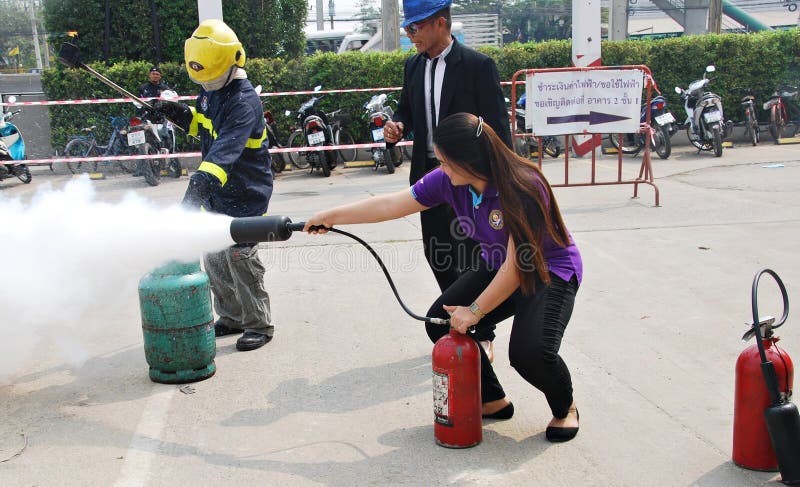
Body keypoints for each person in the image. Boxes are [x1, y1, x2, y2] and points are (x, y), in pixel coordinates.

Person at [304, 112, 583, 442]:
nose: (442, 169)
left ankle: (565, 408)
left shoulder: (523, 185)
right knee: (440, 321)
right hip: (499, 265)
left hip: (547, 270)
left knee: (529, 353)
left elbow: (517, 266)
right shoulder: (449, 180)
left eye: (448, 162)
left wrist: (475, 311)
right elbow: (392, 205)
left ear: (470, 161)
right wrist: (331, 216)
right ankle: (493, 400)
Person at [382, 0, 512, 361]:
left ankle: (482, 329)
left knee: (474, 256)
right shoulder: (413, 66)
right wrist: (398, 125)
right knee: (437, 254)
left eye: (415, 28)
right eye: (408, 29)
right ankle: (457, 319)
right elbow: (407, 109)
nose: (411, 36)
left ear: (440, 23)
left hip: (470, 180)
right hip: (430, 177)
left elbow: (498, 129)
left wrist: (502, 184)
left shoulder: (477, 66)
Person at [150, 19, 274, 352]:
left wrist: (198, 185)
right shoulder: (210, 89)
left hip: (247, 191)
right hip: (218, 191)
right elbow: (204, 127)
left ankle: (258, 324)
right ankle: (231, 316)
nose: (207, 85)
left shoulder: (244, 102)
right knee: (215, 256)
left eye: (212, 79)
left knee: (240, 256)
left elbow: (224, 152)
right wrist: (177, 112)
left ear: (235, 61)